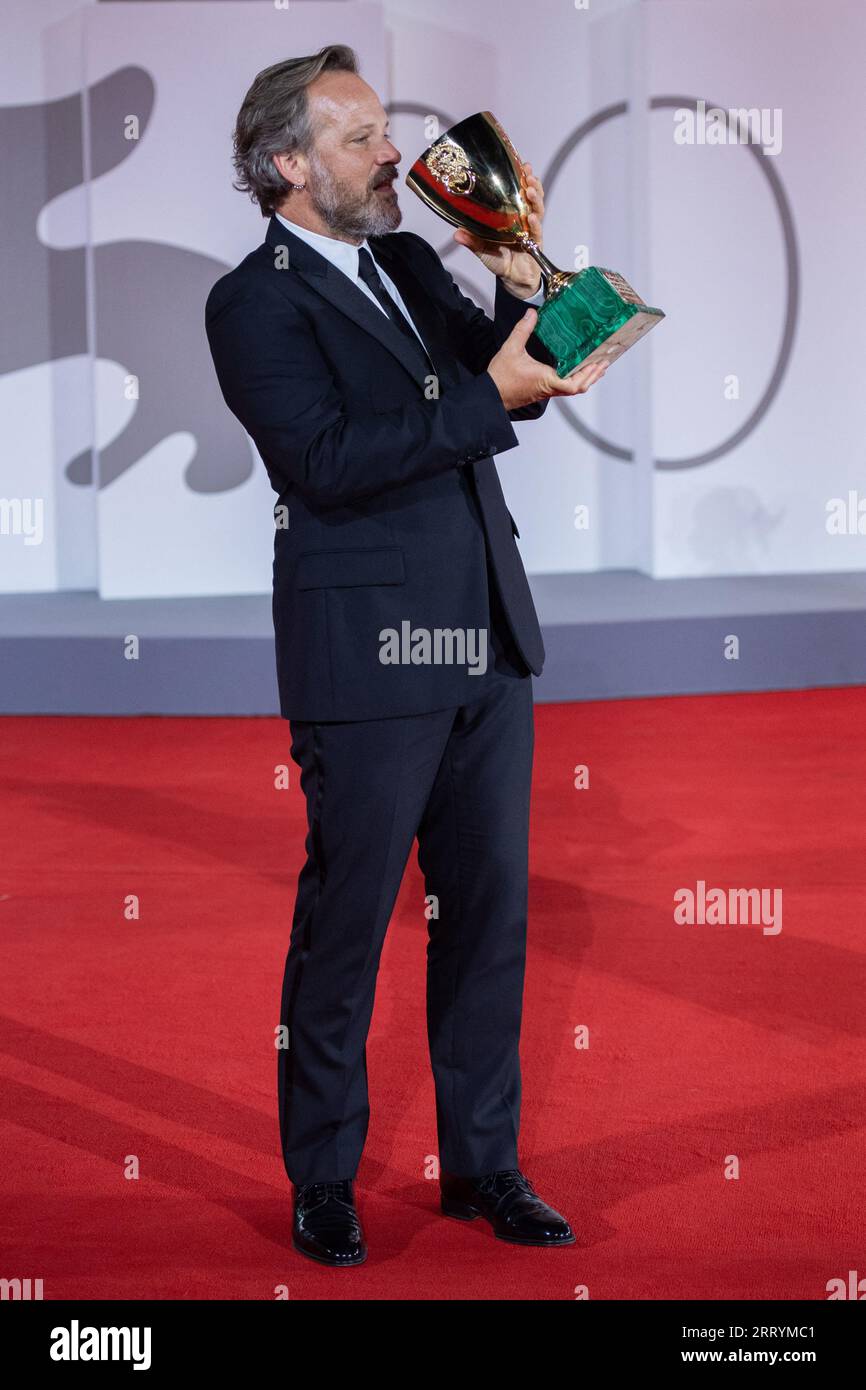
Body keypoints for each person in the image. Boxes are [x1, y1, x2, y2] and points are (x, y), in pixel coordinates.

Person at [205, 44, 607, 1267]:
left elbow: (508, 388)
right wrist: (489, 387)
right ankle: (322, 1177)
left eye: (382, 130)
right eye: (360, 138)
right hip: (366, 656)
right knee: (348, 925)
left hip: (484, 630)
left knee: (486, 920)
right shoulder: (252, 301)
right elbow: (327, 457)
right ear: (287, 165)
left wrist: (522, 272)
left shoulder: (407, 259)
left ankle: (484, 1165)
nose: (393, 156)